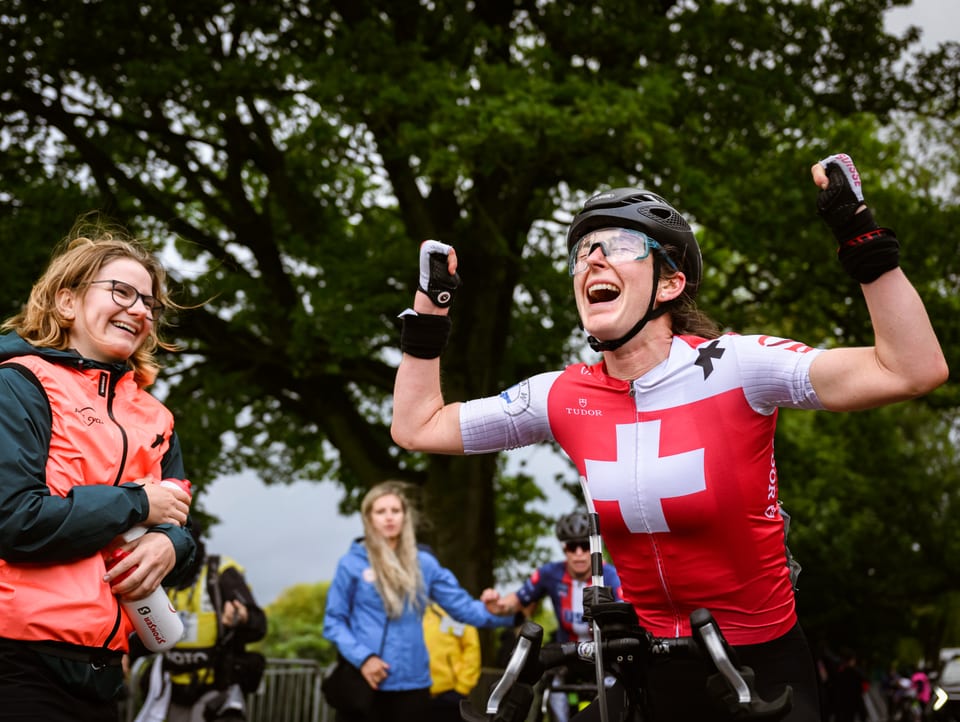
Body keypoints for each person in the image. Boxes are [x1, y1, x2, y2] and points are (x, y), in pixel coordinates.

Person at [390, 153, 948, 722]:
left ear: (670, 283)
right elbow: (417, 426)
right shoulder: (560, 395)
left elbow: (910, 370)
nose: (594, 259)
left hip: (761, 663)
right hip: (648, 662)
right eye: (584, 252)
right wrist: (430, 312)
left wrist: (862, 238)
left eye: (620, 245)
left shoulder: (737, 364)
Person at [0, 216, 197, 721]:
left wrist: (169, 546)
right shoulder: (17, 385)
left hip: (107, 671)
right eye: (121, 292)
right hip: (17, 661)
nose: (139, 310)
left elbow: (183, 532)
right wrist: (137, 502)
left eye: (148, 302)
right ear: (67, 301)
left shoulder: (157, 418)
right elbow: (14, 520)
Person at [322, 480, 514, 722]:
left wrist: (507, 611)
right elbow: (334, 621)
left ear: (405, 517)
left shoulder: (425, 563)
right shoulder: (351, 564)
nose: (389, 517)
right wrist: (364, 658)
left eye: (396, 511)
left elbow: (465, 609)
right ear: (369, 519)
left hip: (414, 685)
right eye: (381, 512)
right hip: (366, 682)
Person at [483, 510, 624, 722]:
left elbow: (626, 616)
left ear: (595, 548)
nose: (578, 553)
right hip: (565, 657)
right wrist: (498, 605)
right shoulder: (550, 573)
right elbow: (517, 600)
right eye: (571, 547)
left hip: (605, 658)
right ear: (563, 549)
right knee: (545, 700)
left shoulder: (612, 575)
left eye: (585, 546)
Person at [131, 522, 268, 721]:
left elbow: (260, 625)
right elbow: (149, 632)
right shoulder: (162, 574)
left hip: (217, 692)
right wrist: (127, 654)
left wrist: (243, 616)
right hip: (172, 691)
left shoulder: (220, 572)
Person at [422, 601, 481, 722]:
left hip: (449, 695)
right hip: (413, 693)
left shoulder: (458, 609)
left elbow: (472, 648)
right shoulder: (410, 607)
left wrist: (462, 687)